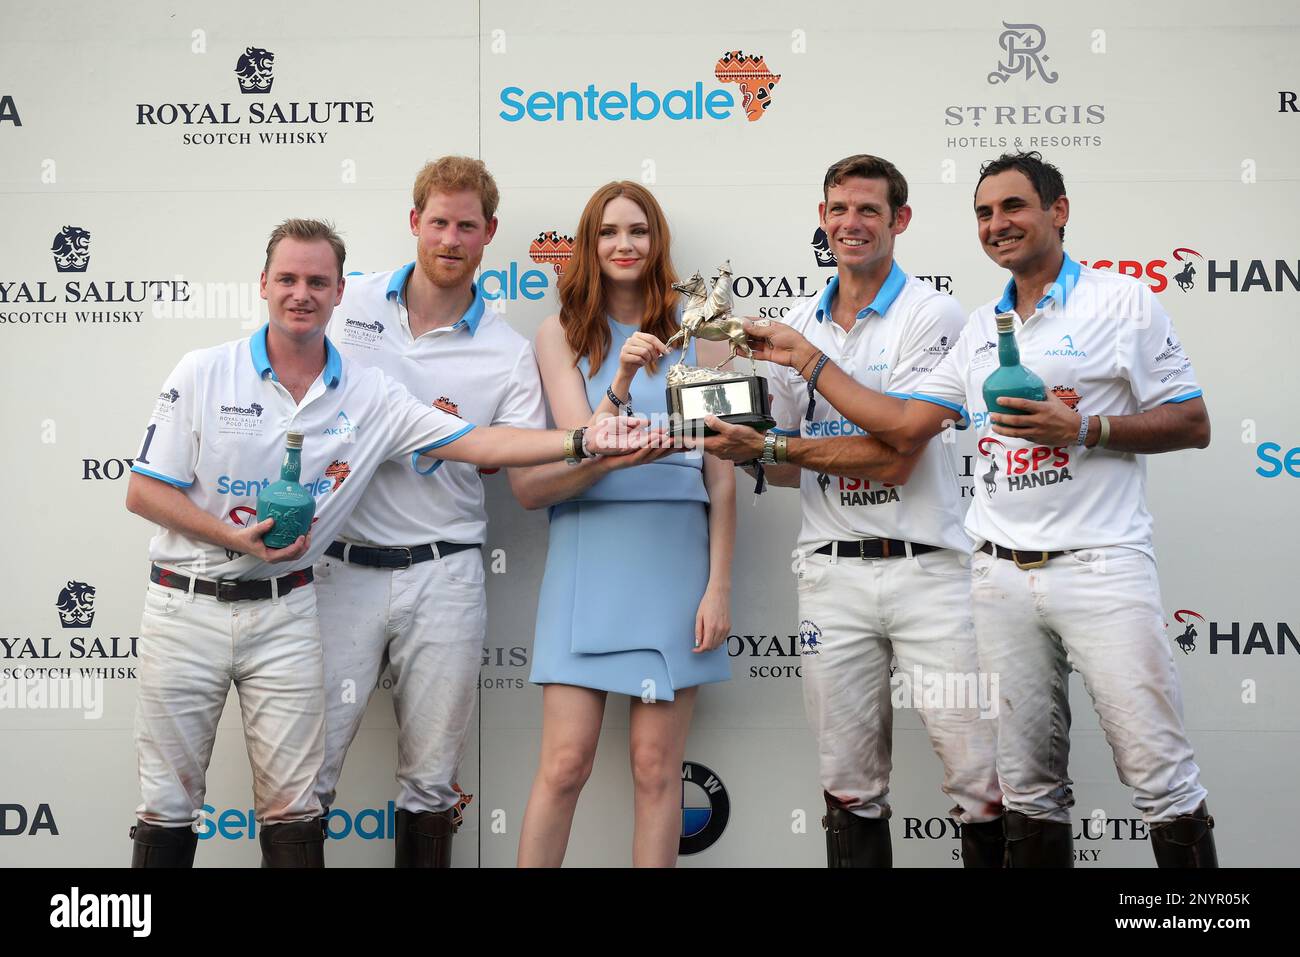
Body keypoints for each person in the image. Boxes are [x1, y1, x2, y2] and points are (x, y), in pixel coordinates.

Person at [124, 218, 653, 868]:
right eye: (287, 278)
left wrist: (581, 439)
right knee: (168, 807)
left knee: (292, 809)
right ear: (262, 283)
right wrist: (231, 537)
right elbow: (145, 492)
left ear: (340, 292)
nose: (301, 293)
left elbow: (478, 440)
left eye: (317, 281)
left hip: (289, 609)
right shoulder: (204, 371)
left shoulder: (370, 396)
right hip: (187, 606)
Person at [743, 151, 1218, 868]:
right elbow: (901, 424)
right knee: (1026, 789)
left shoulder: (1121, 302)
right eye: (986, 213)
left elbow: (1193, 422)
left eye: (1014, 207)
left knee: (1157, 775)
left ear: (1058, 211)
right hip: (998, 579)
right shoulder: (980, 325)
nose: (999, 224)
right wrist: (780, 397)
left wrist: (1088, 428)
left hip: (1096, 566)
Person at [700, 155, 1003, 867]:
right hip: (831, 581)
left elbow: (899, 446)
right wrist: (723, 408)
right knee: (847, 787)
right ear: (822, 218)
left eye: (868, 210)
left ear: (899, 220)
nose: (851, 223)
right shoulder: (799, 321)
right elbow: (772, 460)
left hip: (929, 575)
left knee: (981, 782)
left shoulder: (931, 313)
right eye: (838, 210)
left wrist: (797, 389)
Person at [312, 157, 546, 868]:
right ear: (414, 222)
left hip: (443, 574)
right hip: (339, 566)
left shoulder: (508, 352)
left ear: (489, 234)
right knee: (305, 770)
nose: (450, 237)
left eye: (465, 226)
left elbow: (511, 458)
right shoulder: (345, 304)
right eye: (437, 221)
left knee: (432, 781)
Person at [513, 182, 735, 867]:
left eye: (637, 230)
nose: (624, 244)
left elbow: (722, 468)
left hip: (675, 557)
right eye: (608, 232)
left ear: (656, 240)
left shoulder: (705, 332)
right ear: (590, 243)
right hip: (589, 543)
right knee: (565, 763)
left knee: (654, 767)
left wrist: (719, 585)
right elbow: (584, 443)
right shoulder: (562, 334)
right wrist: (622, 377)